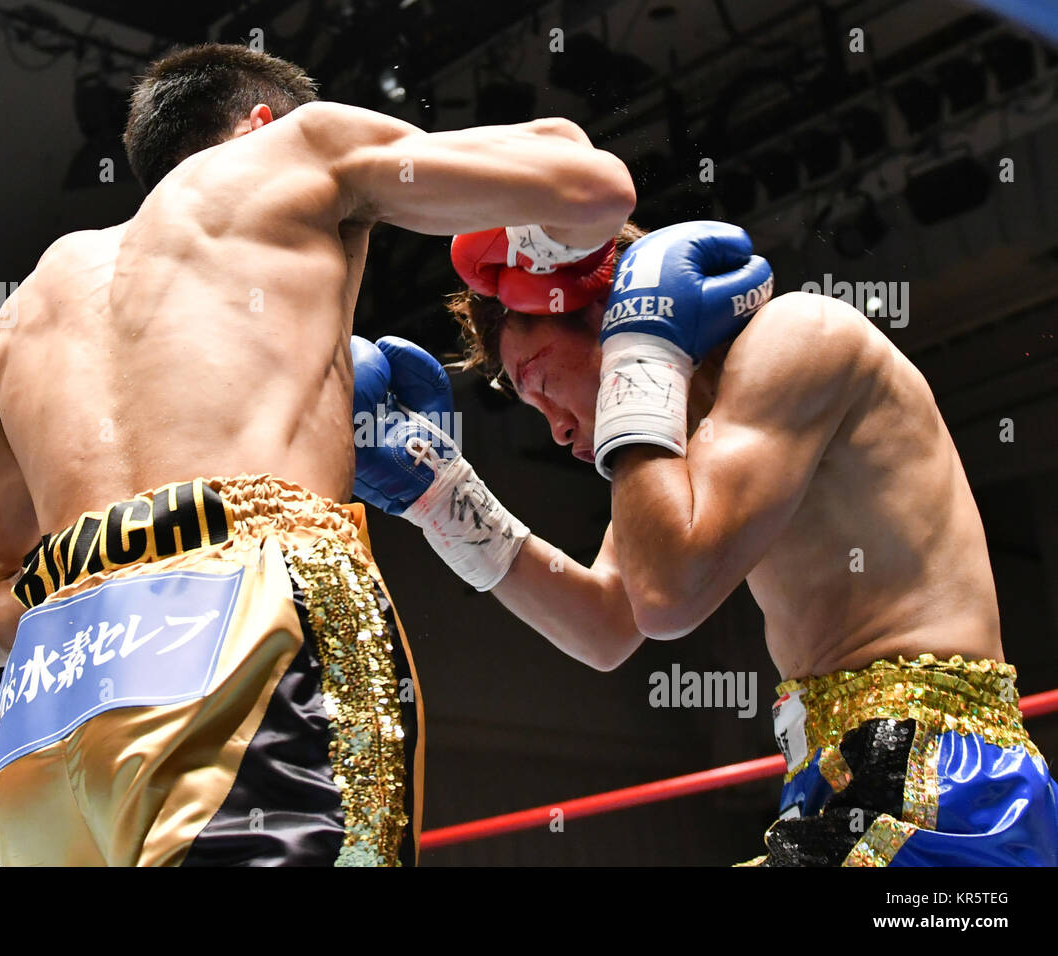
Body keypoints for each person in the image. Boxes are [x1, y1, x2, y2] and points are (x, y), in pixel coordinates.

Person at [0, 42, 636, 866]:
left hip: (46, 725)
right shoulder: (301, 146)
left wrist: (119, 580)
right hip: (250, 633)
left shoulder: (32, 302)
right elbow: (594, 188)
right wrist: (527, 241)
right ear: (260, 123)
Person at [353, 219, 1058, 865]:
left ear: (607, 314)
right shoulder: (683, 449)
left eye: (542, 383)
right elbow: (605, 623)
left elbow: (665, 599)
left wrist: (639, 356)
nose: (557, 430)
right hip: (841, 781)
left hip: (943, 781)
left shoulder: (801, 335)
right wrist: (443, 499)